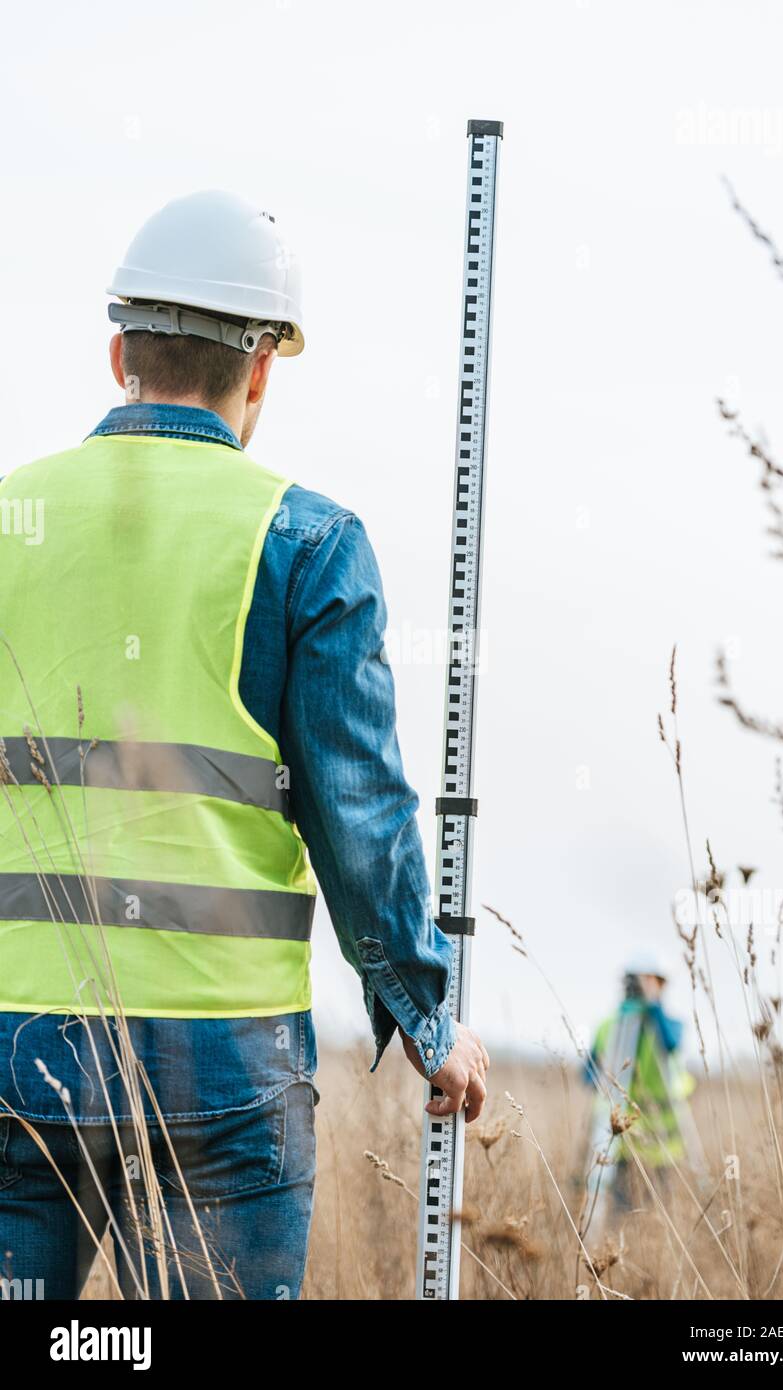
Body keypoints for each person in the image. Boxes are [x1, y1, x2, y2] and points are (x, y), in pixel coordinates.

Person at [0, 190, 489, 1300]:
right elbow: (359, 814)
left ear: (119, 348)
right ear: (261, 368)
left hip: (11, 1044)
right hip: (218, 1065)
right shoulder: (308, 543)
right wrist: (426, 1013)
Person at [583, 953, 694, 1221]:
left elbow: (671, 1043)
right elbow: (587, 1075)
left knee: (656, 1217)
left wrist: (653, 1011)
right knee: (623, 1215)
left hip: (660, 1146)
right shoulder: (610, 1025)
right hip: (620, 1143)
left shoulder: (669, 1025)